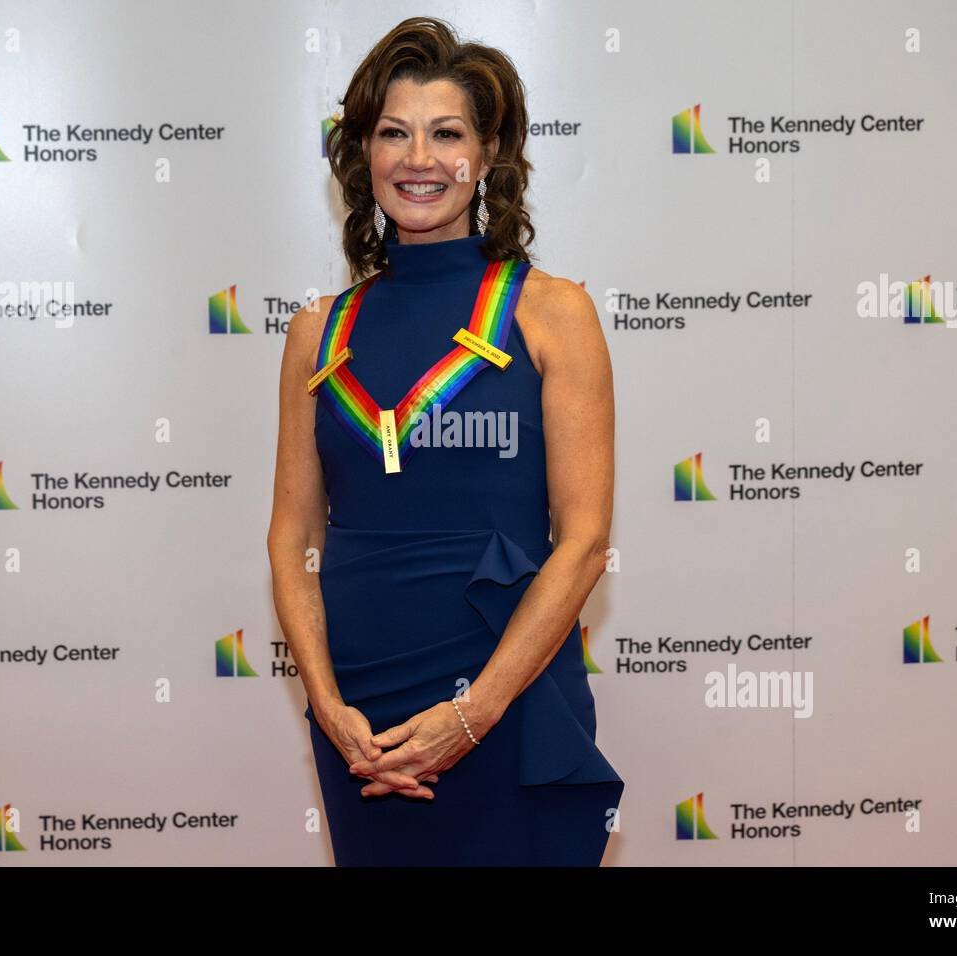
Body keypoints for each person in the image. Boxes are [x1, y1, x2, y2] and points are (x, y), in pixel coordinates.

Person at [267, 16, 624, 866]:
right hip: (363, 724)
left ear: (488, 153)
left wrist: (473, 714)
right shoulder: (316, 333)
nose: (418, 157)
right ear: (363, 154)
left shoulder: (553, 312)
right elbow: (290, 537)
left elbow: (583, 542)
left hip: (508, 699)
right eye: (393, 132)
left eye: (446, 133)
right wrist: (327, 707)